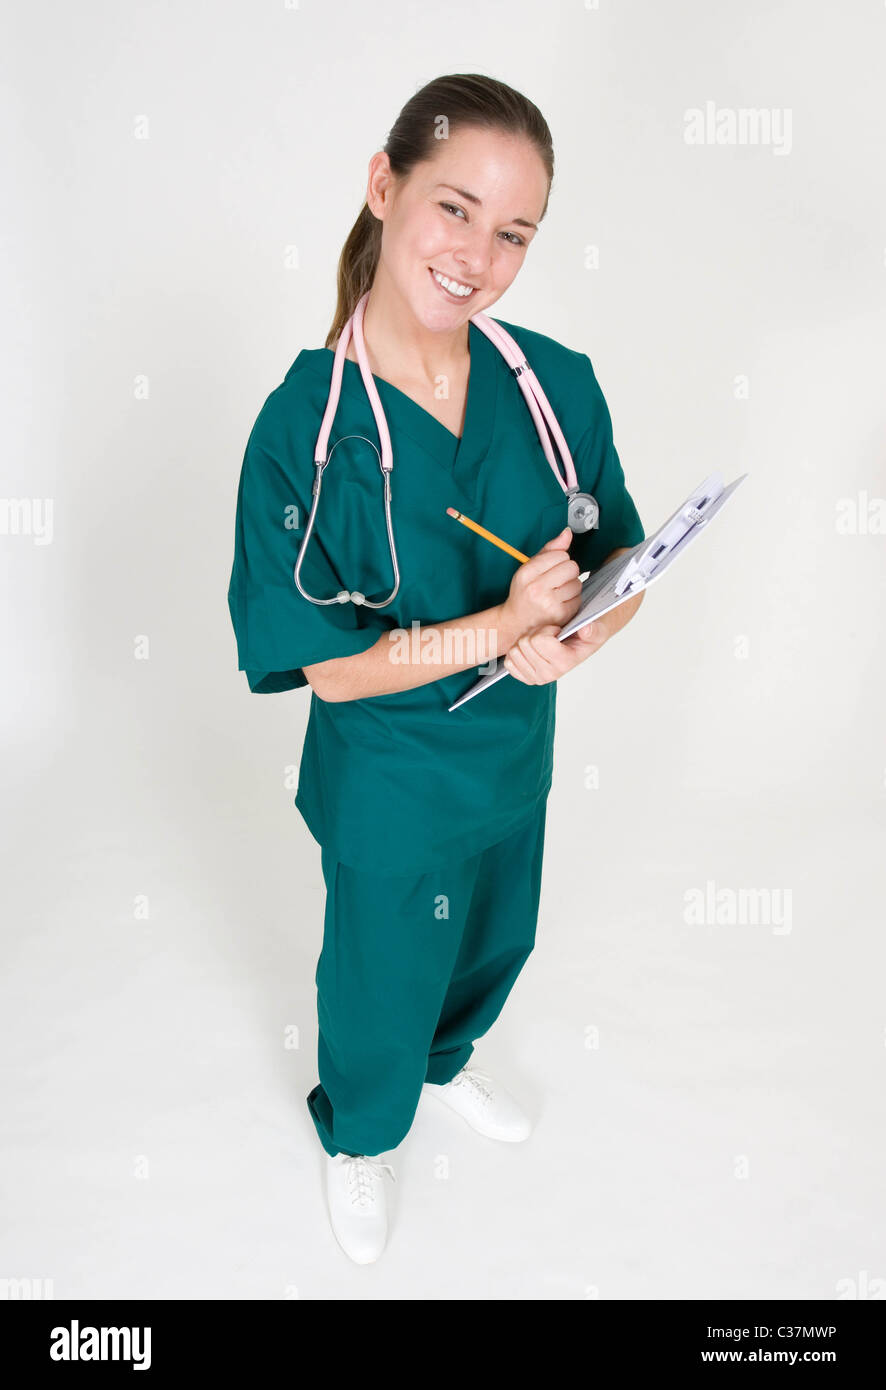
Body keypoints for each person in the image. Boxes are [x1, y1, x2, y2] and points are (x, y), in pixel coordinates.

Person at [227, 73, 646, 1265]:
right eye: (455, 209)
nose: (479, 254)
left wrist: (576, 636)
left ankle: (449, 1057)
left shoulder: (551, 383)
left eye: (513, 231)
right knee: (379, 975)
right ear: (383, 184)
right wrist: (501, 622)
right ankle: (361, 1133)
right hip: (393, 775)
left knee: (492, 938)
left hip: (512, 751)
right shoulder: (305, 430)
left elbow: (618, 566)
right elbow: (332, 673)